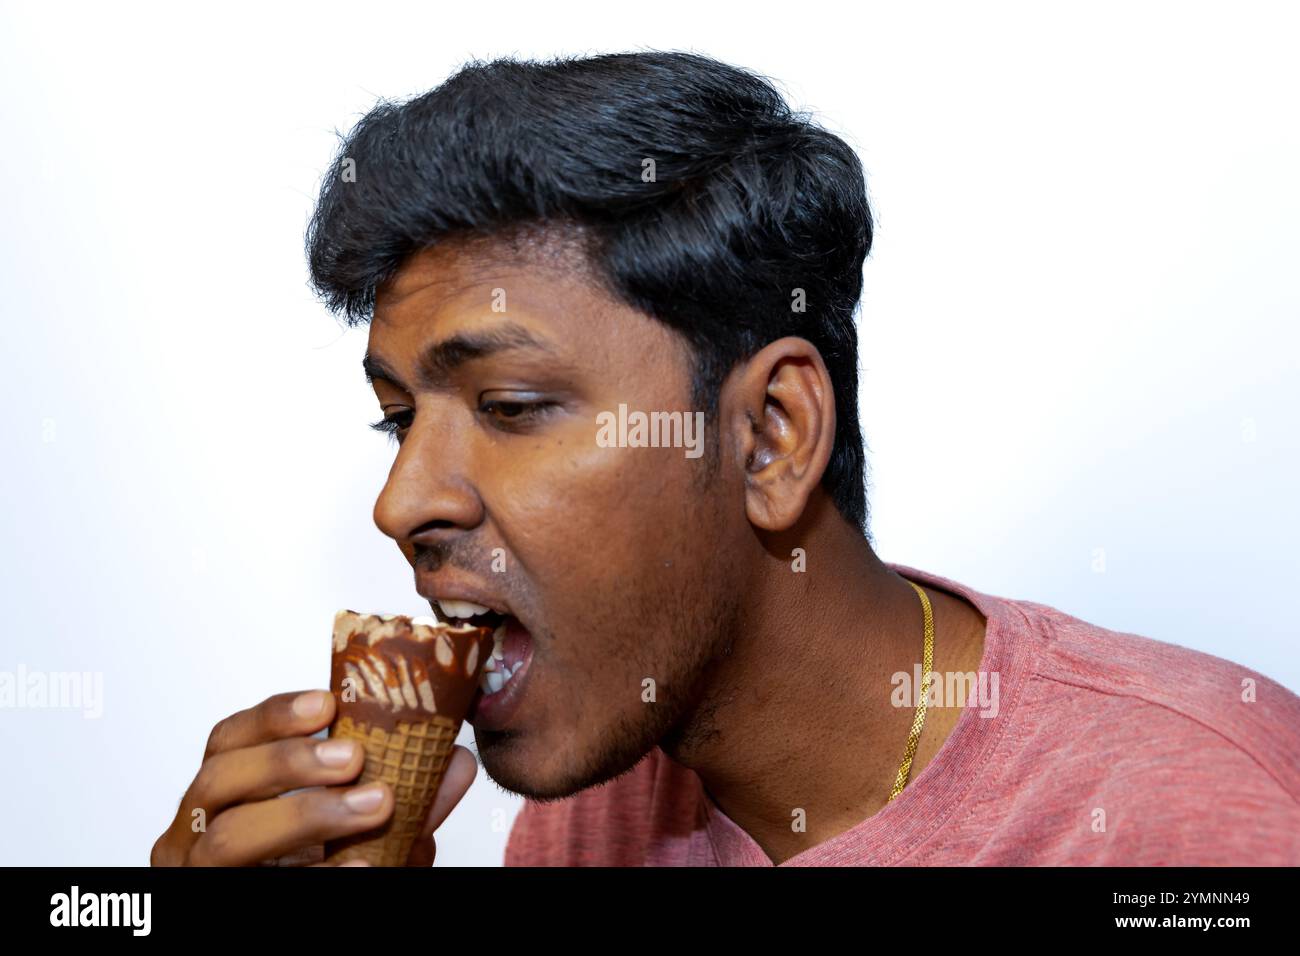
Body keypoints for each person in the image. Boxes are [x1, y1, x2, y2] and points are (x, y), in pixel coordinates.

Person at [151, 51, 1300, 867]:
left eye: (507, 403)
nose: (401, 502)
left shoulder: (1197, 817)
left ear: (770, 435)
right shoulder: (588, 814)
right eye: (399, 419)